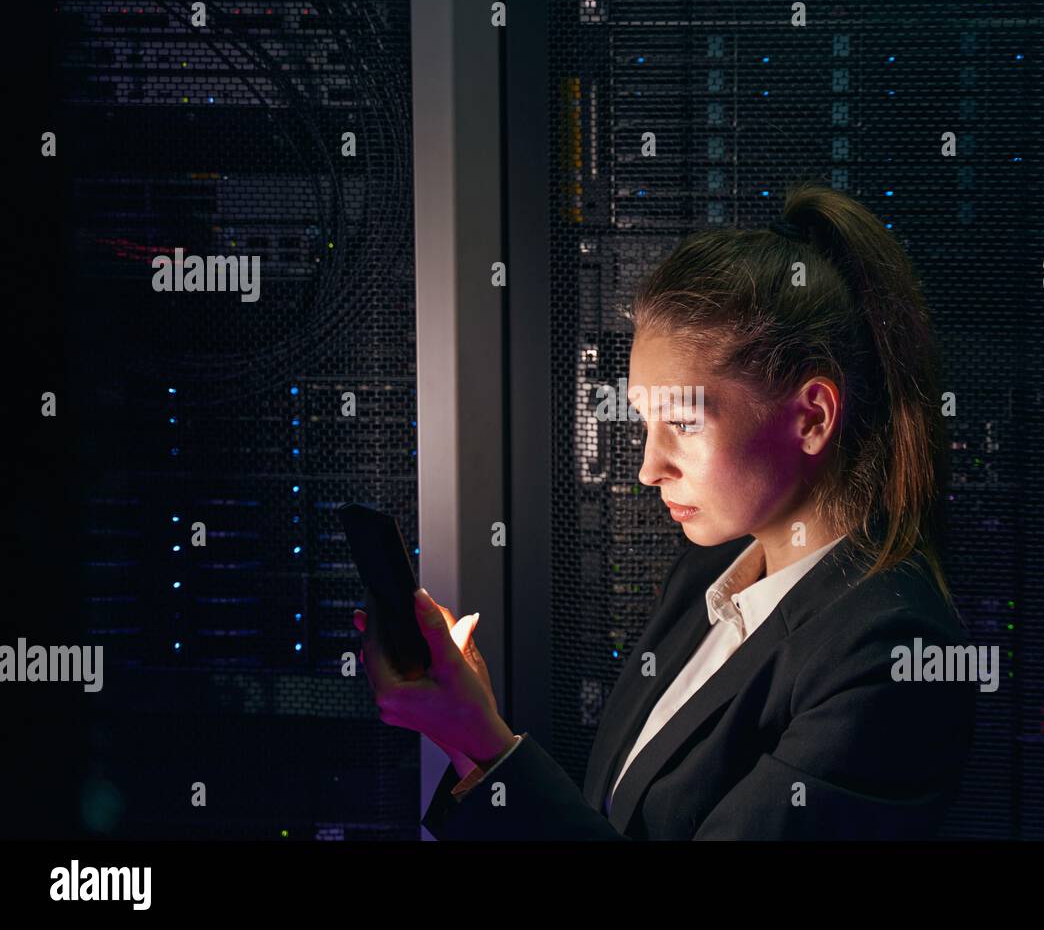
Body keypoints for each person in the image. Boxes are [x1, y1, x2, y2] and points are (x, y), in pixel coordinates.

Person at [355, 181, 977, 839]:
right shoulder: (707, 572)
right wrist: (468, 733)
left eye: (682, 420)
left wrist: (482, 739)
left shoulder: (891, 659)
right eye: (644, 423)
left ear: (812, 415)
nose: (650, 469)